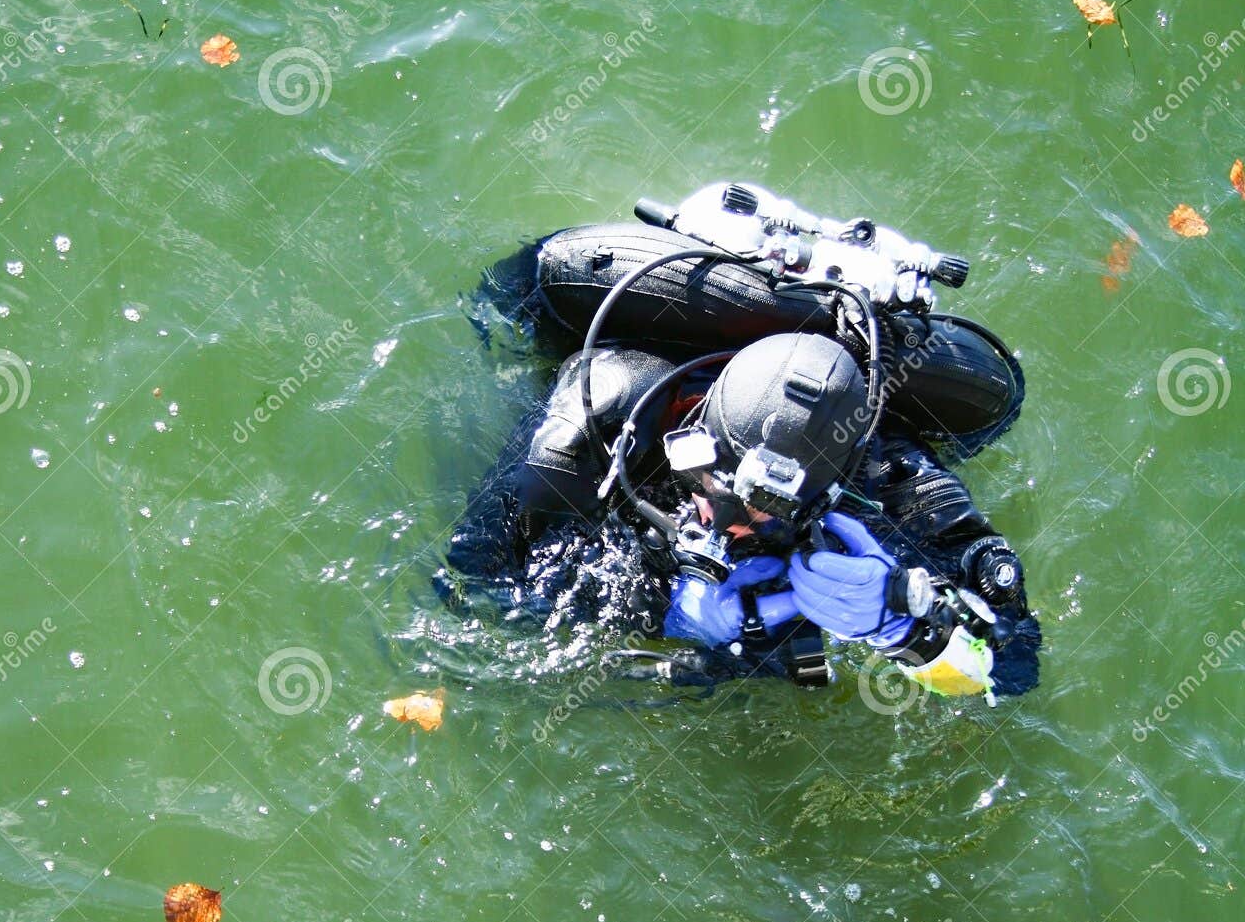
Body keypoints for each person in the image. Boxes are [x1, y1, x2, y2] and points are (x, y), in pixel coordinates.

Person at [443, 297, 1040, 700]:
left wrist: (908, 627)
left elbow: (1014, 665)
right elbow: (472, 578)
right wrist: (650, 609)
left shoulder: (890, 480)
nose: (723, 525)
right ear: (694, 444)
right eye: (714, 490)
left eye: (760, 513)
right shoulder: (608, 409)